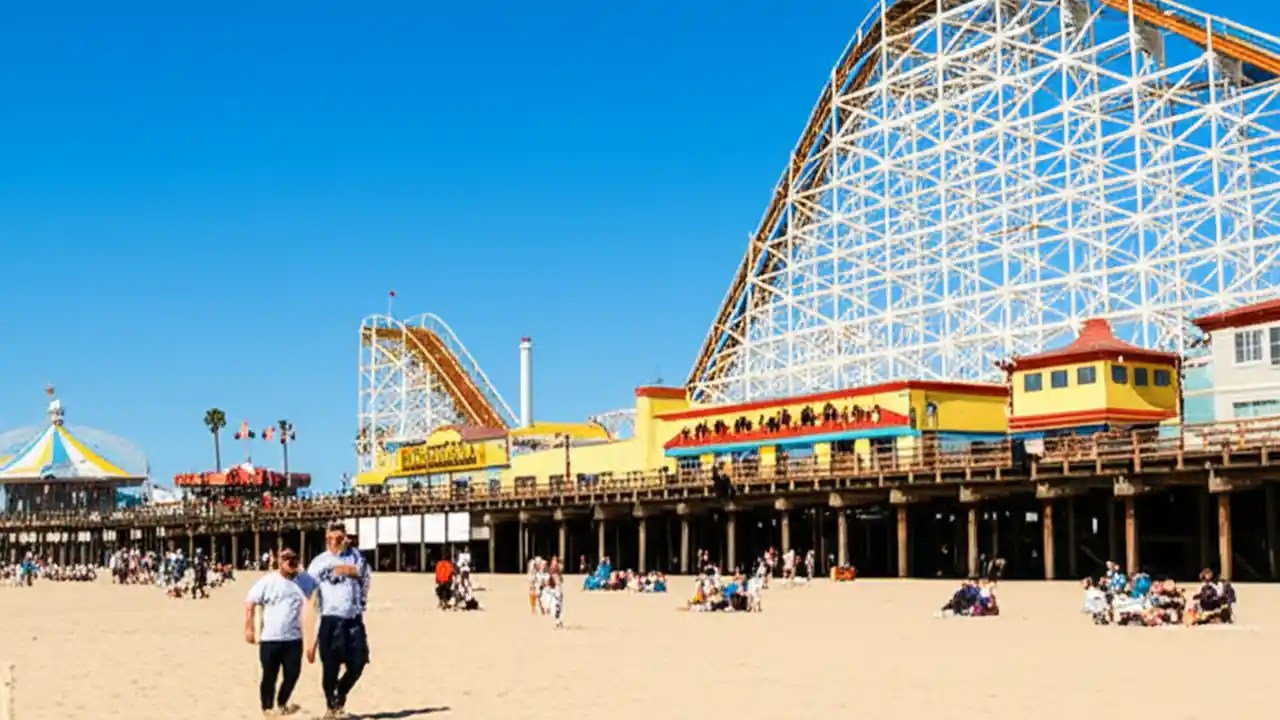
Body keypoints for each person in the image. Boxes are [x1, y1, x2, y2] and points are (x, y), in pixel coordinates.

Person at [307, 522, 372, 719]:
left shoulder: (356, 557)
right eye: (332, 538)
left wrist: (346, 568)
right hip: (330, 618)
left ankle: (340, 692)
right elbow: (309, 596)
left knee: (359, 662)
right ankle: (332, 706)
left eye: (340, 537)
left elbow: (363, 576)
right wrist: (309, 637)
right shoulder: (318, 563)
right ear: (326, 538)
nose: (336, 541)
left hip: (353, 618)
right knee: (330, 666)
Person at [244, 548, 317, 718]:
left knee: (293, 674)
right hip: (270, 638)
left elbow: (318, 593)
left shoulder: (305, 581)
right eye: (286, 558)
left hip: (294, 638)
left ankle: (282, 702)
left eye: (293, 558)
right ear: (278, 560)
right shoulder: (268, 581)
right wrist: (249, 627)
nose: (290, 561)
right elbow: (250, 602)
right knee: (269, 674)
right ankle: (267, 707)